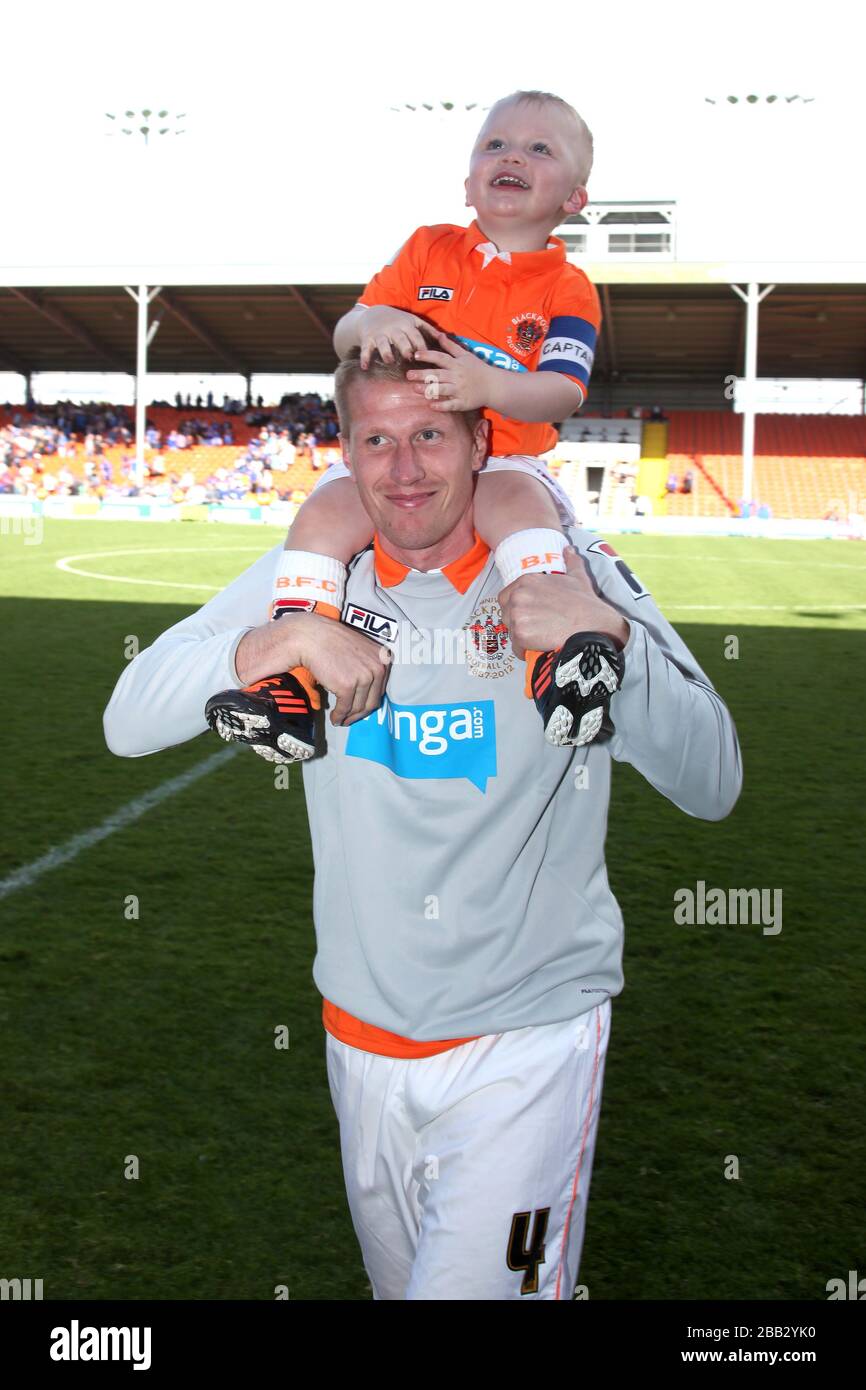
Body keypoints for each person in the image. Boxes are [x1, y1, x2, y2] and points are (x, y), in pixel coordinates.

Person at [103, 350, 742, 1301]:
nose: (405, 470)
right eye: (377, 440)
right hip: (358, 1038)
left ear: (480, 440)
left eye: (430, 435)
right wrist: (275, 642)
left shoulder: (568, 565)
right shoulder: (315, 575)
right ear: (346, 456)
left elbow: (715, 779)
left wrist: (613, 644)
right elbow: (127, 718)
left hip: (524, 1042)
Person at [205, 89, 603, 764]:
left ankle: (557, 664)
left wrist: (488, 387)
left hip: (500, 458)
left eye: (540, 149)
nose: (512, 156)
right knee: (324, 513)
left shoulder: (567, 288)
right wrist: (371, 322)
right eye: (495, 145)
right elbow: (345, 331)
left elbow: (562, 391)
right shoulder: (427, 248)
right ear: (468, 182)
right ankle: (290, 688)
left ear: (574, 198)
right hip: (402, 449)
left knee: (521, 508)